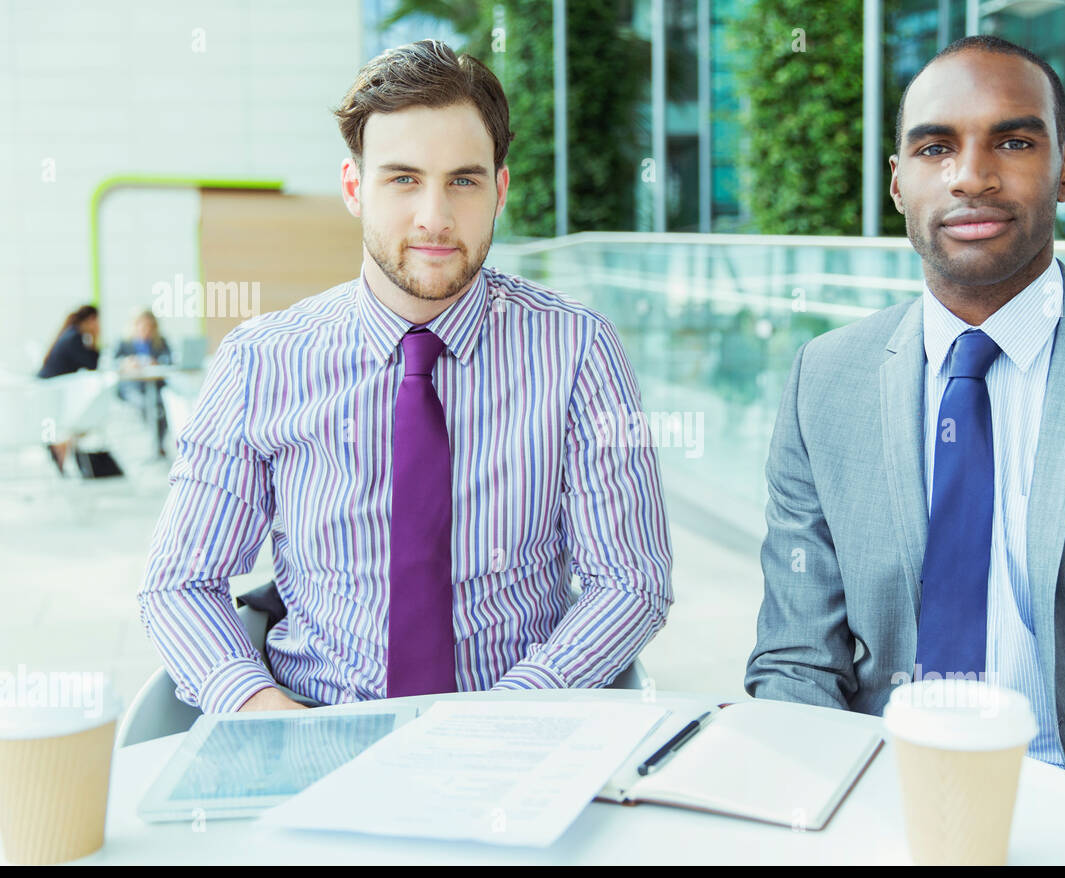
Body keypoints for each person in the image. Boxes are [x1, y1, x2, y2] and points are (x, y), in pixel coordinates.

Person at [745, 35, 1065, 867]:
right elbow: (794, 664)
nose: (970, 176)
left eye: (1014, 141)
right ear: (897, 182)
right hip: (884, 819)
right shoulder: (826, 378)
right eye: (935, 147)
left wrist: (1015, 851)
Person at [138, 40, 673, 715]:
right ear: (355, 188)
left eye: (464, 180)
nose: (434, 217)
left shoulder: (578, 350)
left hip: (516, 729)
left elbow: (629, 581)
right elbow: (180, 582)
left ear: (499, 190)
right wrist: (261, 712)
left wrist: (510, 713)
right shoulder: (260, 362)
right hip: (316, 727)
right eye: (403, 179)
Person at [36, 304, 100, 473]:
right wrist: (95, 339)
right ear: (90, 320)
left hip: (55, 390)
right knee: (88, 412)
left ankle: (63, 445)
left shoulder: (70, 334)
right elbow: (92, 364)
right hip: (53, 391)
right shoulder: (74, 338)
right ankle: (62, 445)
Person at [114, 309, 172, 456]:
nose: (146, 330)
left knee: (161, 405)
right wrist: (125, 363)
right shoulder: (124, 343)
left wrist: (157, 362)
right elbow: (111, 363)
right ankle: (150, 444)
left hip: (155, 386)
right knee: (145, 404)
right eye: (143, 325)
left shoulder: (160, 342)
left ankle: (158, 444)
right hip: (131, 387)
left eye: (149, 326)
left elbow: (169, 360)